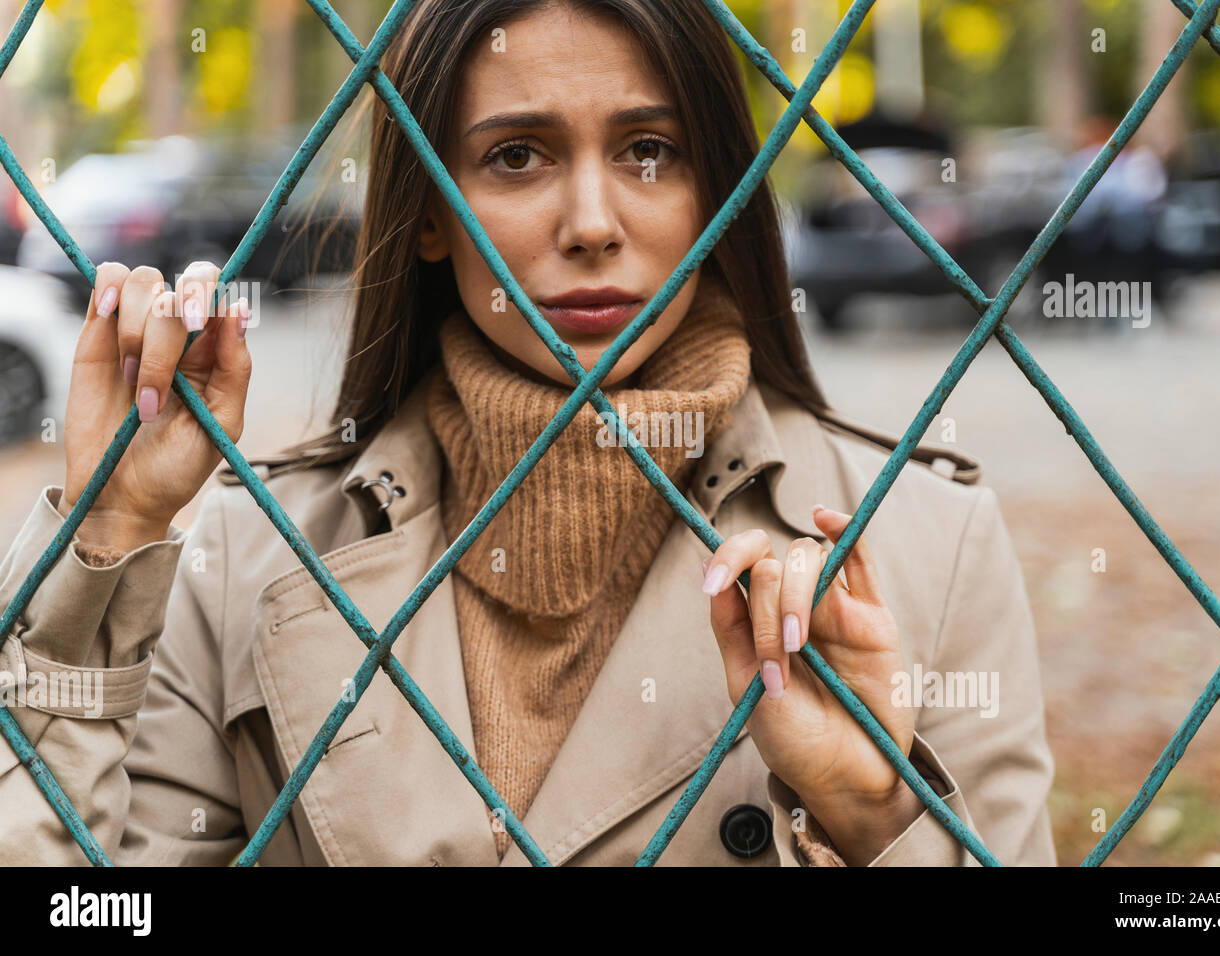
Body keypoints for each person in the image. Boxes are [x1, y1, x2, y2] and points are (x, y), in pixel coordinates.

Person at [0, 0, 1056, 866]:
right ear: (425, 210)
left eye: (650, 150)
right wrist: (107, 544)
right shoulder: (246, 548)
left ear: (722, 195)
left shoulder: (926, 541)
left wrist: (866, 813)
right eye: (516, 156)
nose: (592, 221)